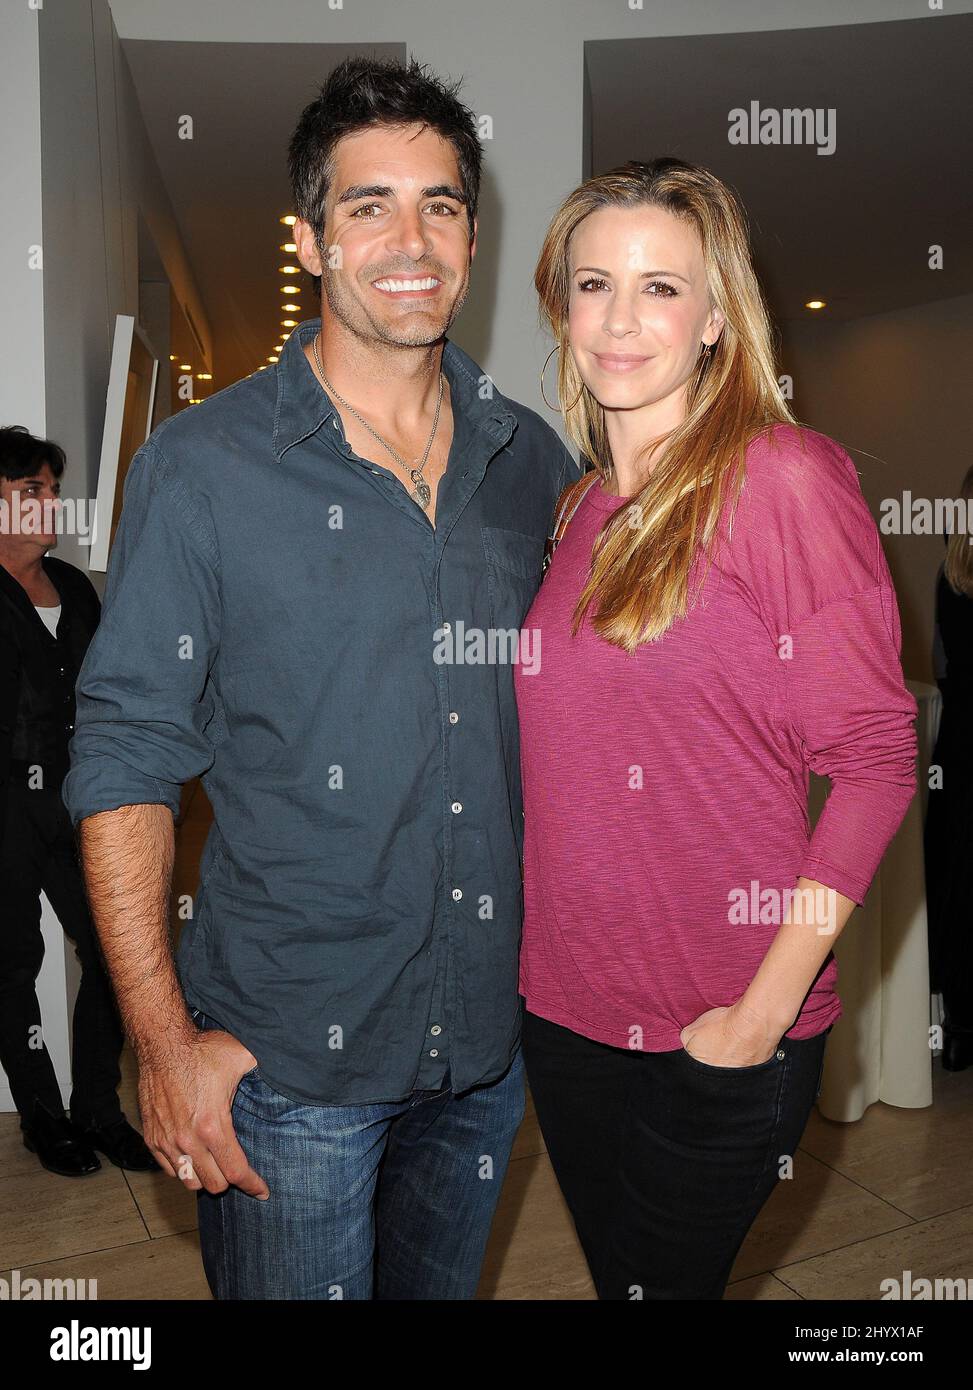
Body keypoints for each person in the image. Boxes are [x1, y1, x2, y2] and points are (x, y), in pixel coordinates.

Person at [62, 55, 578, 1299]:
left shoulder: (531, 460)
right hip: (286, 1068)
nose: (412, 240)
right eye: (369, 205)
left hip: (485, 1052)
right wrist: (161, 1041)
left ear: (472, 232)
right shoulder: (202, 468)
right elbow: (127, 755)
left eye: (442, 204)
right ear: (309, 238)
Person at [514, 157, 918, 1300]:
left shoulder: (781, 477)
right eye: (594, 284)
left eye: (660, 287)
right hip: (565, 1011)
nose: (620, 319)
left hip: (725, 1014)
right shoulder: (576, 507)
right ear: (562, 305)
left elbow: (879, 759)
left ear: (714, 320)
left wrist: (761, 1010)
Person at [0, 425, 157, 1176]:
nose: (51, 503)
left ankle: (98, 1108)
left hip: (78, 805)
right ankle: (43, 1118)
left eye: (53, 490)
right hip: (3, 817)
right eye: (32, 490)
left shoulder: (74, 589)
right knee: (11, 965)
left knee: (109, 953)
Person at [924, 464, 973, 1071]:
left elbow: (944, 665)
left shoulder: (949, 574)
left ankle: (958, 1027)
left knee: (956, 878)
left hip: (959, 746)